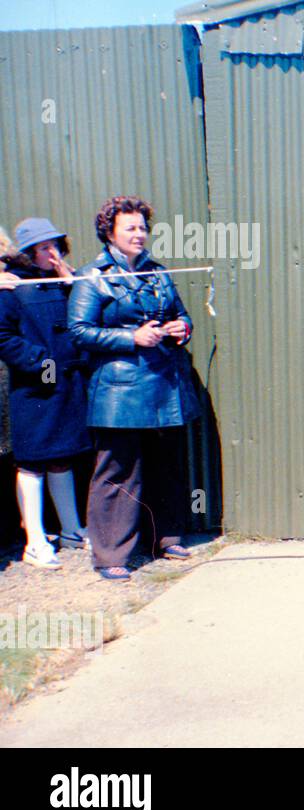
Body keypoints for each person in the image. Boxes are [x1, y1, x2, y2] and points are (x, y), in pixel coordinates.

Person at [68, 196, 201, 581]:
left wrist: (181, 329)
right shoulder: (92, 276)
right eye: (131, 227)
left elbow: (182, 314)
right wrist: (131, 338)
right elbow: (79, 331)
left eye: (143, 227)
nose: (139, 234)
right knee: (118, 472)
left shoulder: (158, 273)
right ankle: (111, 555)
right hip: (119, 393)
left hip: (164, 386)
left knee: (166, 465)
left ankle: (166, 537)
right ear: (109, 232)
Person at [0, 218, 92, 568]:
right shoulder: (10, 288)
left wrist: (72, 285)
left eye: (55, 244)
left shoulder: (62, 282)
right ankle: (35, 541)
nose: (51, 252)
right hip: (34, 387)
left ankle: (71, 530)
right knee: (32, 462)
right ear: (26, 253)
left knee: (62, 456)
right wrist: (43, 365)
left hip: (66, 383)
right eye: (43, 247)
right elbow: (4, 337)